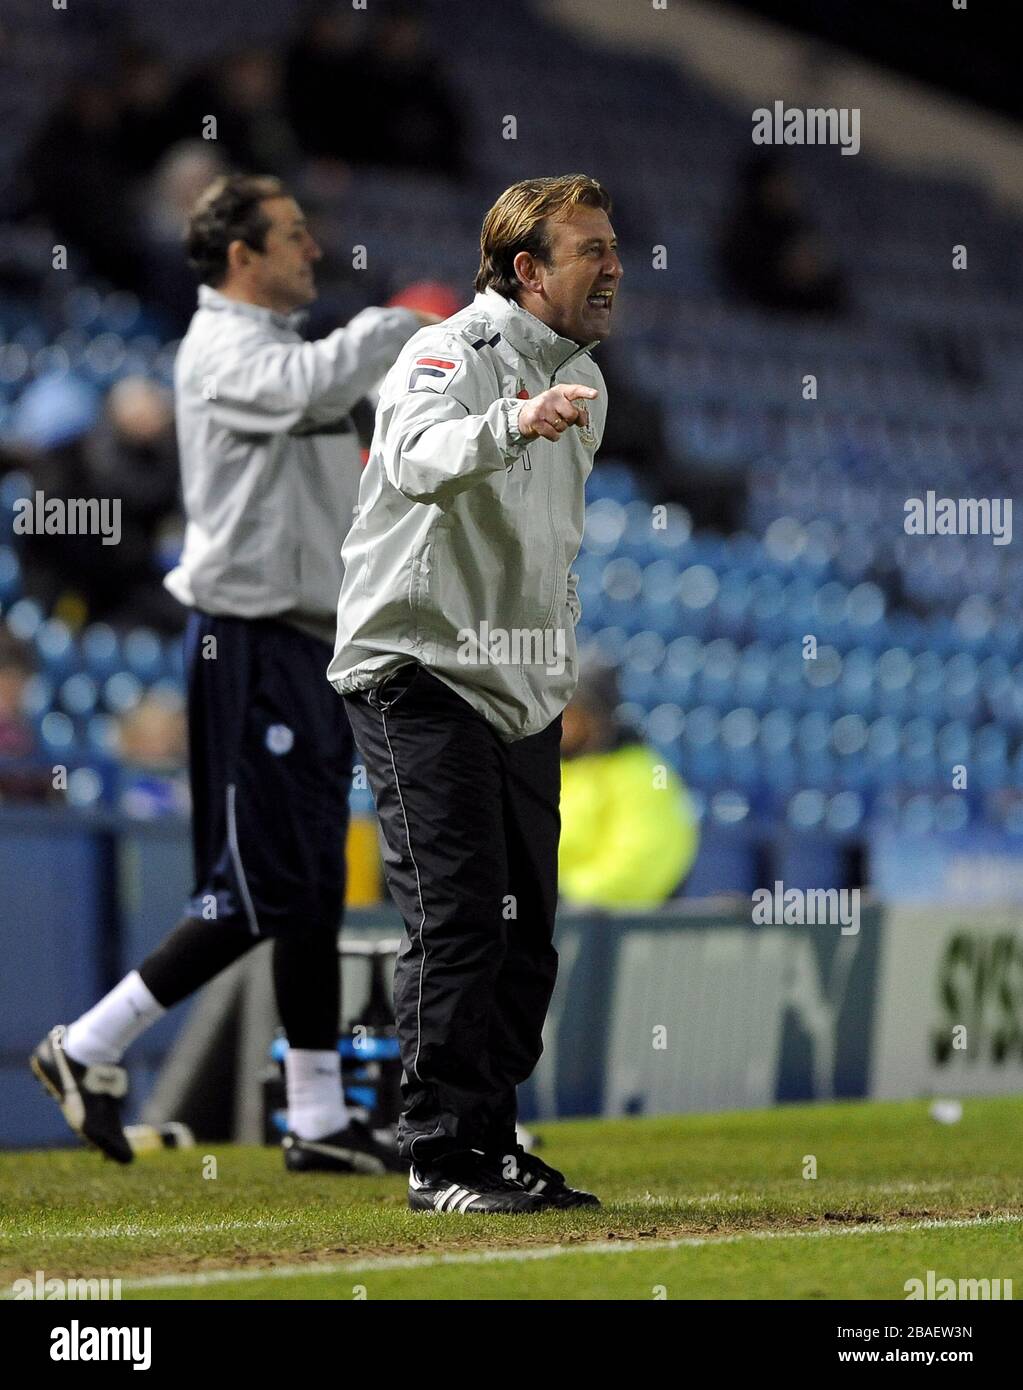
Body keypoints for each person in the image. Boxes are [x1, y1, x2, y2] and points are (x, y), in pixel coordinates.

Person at [31, 174, 433, 1174]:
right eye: (294, 237)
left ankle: (319, 1116)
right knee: (257, 888)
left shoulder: (283, 350)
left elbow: (339, 427)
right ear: (243, 257)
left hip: (302, 642)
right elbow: (310, 392)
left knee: (307, 894)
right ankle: (88, 1043)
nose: (313, 251)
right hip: (246, 641)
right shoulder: (223, 352)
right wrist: (400, 323)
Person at [329, 173, 622, 1212]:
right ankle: (438, 1154)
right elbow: (411, 457)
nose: (614, 265)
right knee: (457, 917)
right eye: (588, 248)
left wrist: (553, 672)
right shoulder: (448, 352)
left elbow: (553, 551)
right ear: (527, 269)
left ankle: (491, 1142)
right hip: (420, 667)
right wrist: (513, 420)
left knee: (524, 929)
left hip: (517, 684)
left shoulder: (581, 385)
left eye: (612, 244)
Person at [559, 654, 699, 908]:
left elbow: (643, 860)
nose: (558, 720)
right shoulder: (544, 769)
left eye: (569, 711)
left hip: (599, 932)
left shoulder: (643, 774)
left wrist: (565, 898)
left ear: (596, 718)